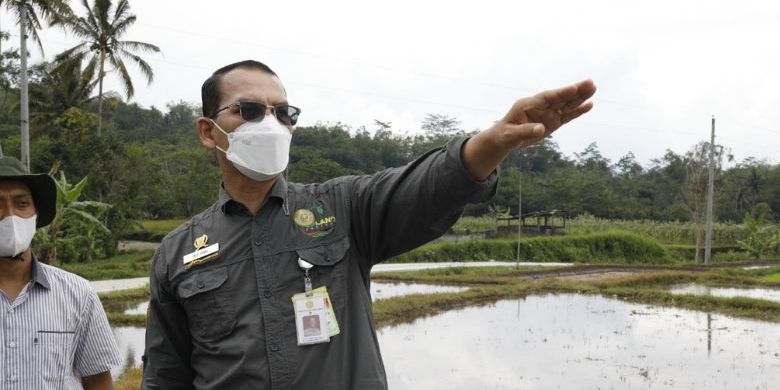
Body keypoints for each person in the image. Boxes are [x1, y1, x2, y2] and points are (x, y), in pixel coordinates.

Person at [141, 60, 596, 390]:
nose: (271, 123)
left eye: (283, 112)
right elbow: (165, 376)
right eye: (250, 111)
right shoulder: (177, 253)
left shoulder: (341, 208)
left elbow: (424, 187)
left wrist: (493, 143)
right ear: (208, 132)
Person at [0, 156, 122, 390]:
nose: (9, 215)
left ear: (36, 214)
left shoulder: (79, 294)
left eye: (21, 203)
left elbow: (98, 381)